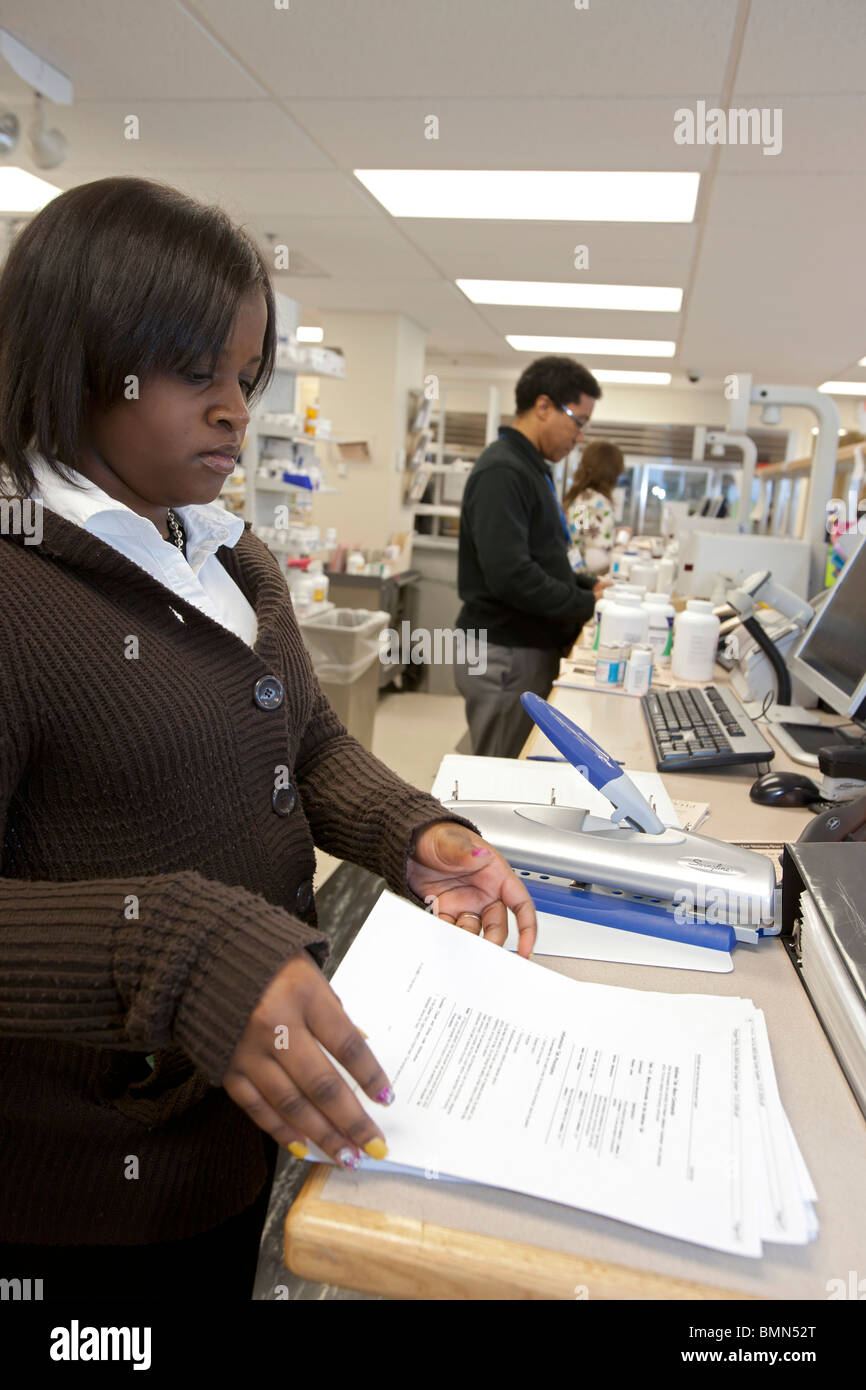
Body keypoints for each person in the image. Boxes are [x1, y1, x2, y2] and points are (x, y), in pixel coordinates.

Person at [0, 176, 538, 1301]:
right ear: (76, 355)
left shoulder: (227, 558)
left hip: (232, 1130)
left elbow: (307, 739)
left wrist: (410, 828)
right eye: (195, 372)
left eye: (245, 376)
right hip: (71, 1192)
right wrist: (172, 945)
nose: (235, 410)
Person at [455, 356, 608, 758]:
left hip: (523, 647)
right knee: (498, 776)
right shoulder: (503, 471)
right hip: (504, 651)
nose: (579, 436)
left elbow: (547, 559)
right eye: (578, 420)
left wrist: (592, 586)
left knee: (512, 763)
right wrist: (588, 603)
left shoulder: (532, 468)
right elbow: (512, 575)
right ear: (543, 406)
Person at [563, 439, 625, 575]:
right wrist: (620, 550)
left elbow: (580, 535)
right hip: (587, 580)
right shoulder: (599, 503)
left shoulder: (582, 498)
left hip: (574, 575)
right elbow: (594, 560)